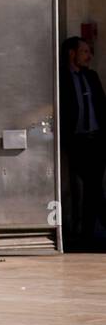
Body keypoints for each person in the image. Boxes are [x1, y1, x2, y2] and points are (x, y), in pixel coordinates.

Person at [61, 36, 105, 248]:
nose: (89, 56)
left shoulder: (92, 76)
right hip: (76, 141)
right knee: (92, 186)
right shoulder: (62, 79)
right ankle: (87, 231)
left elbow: (102, 108)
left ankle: (87, 234)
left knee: (93, 187)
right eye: (85, 52)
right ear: (72, 54)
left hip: (96, 140)